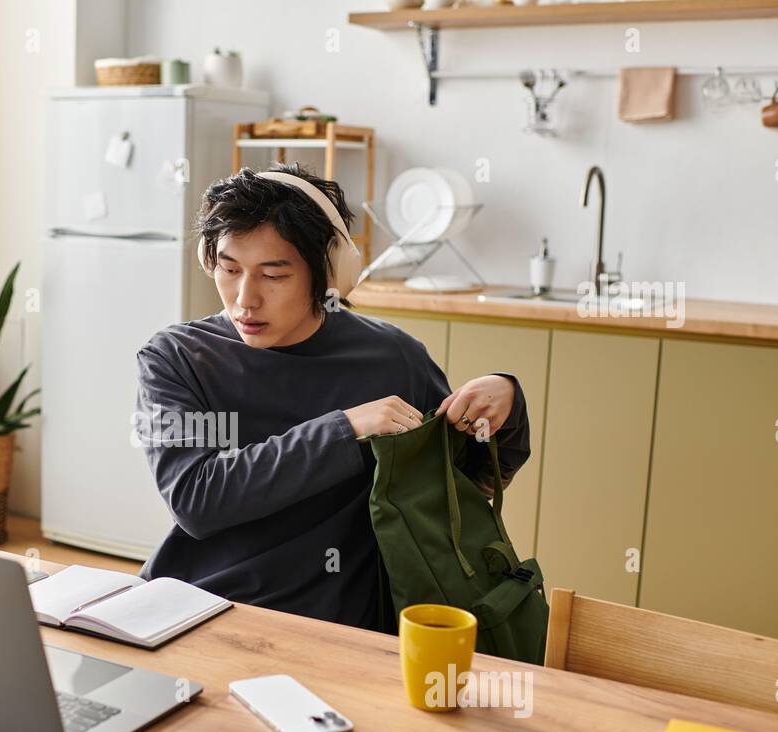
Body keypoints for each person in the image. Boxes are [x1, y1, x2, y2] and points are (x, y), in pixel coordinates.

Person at [134, 162, 530, 632]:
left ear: (327, 271)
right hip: (198, 604)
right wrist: (345, 430)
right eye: (229, 269)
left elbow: (464, 485)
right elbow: (198, 499)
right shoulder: (175, 358)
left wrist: (504, 403)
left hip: (336, 623)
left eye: (273, 275)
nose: (245, 299)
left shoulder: (394, 358)